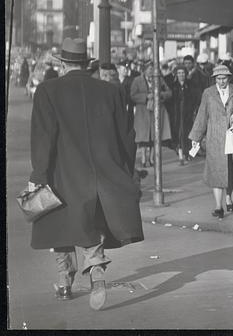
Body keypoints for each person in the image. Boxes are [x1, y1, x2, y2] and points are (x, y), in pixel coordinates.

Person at [28, 37, 142, 310]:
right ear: (86, 63)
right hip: (102, 173)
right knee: (92, 222)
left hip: (62, 173)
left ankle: (65, 283)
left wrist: (39, 175)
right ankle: (96, 268)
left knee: (59, 224)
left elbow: (43, 138)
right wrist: (126, 171)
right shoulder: (110, 91)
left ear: (63, 64)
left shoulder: (47, 91)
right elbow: (127, 137)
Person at [189, 65, 233, 219]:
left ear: (229, 78)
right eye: (218, 78)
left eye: (224, 78)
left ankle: (229, 197)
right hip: (214, 138)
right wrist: (196, 138)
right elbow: (202, 115)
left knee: (231, 171)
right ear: (214, 79)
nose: (221, 81)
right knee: (216, 172)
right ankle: (218, 206)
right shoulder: (208, 93)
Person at [130, 62, 173, 168]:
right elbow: (132, 95)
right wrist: (146, 97)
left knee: (155, 135)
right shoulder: (137, 80)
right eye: (149, 69)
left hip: (156, 111)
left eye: (153, 69)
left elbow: (169, 92)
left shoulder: (159, 79)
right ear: (144, 70)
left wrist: (159, 95)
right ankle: (144, 158)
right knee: (144, 136)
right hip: (143, 112)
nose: (151, 71)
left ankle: (152, 157)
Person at [168, 66, 197, 165]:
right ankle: (180, 154)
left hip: (187, 114)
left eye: (183, 73)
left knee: (187, 134)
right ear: (176, 74)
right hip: (176, 114)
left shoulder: (190, 85)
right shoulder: (173, 85)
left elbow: (194, 99)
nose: (181, 75)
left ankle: (186, 154)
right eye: (179, 73)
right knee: (178, 134)